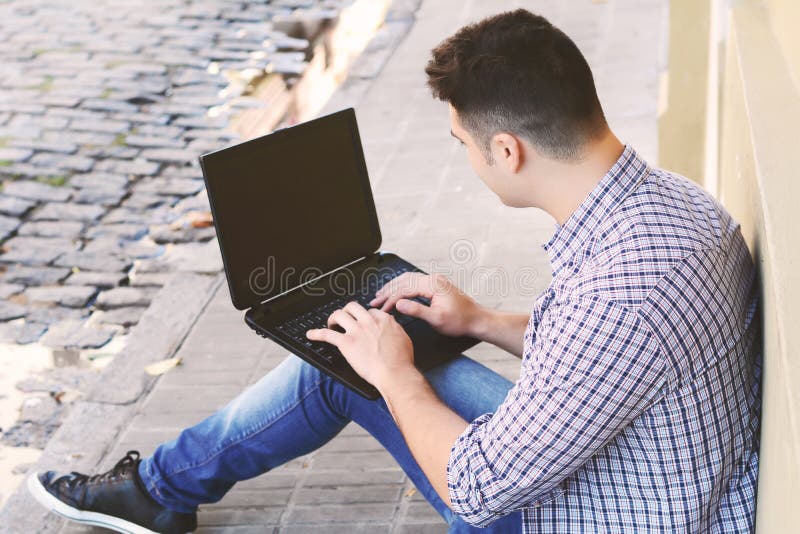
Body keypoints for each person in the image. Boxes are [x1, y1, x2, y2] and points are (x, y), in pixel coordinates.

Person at [27, 8, 761, 534]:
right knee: (359, 339)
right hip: (643, 473)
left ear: (505, 151)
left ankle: (153, 491)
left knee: (355, 361)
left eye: (461, 145)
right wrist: (481, 321)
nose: (464, 160)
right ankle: (158, 489)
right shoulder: (675, 206)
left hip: (582, 512)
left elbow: (477, 490)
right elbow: (613, 360)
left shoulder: (617, 297)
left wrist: (397, 375)